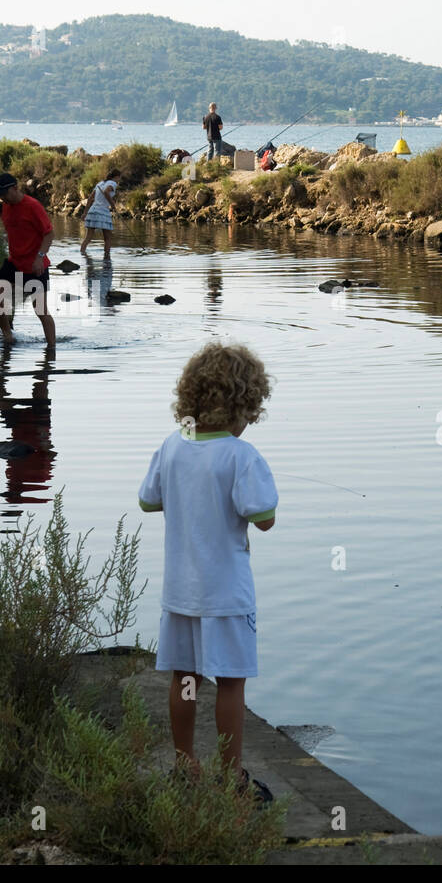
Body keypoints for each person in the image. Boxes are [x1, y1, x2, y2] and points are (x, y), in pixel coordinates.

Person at [138, 342, 278, 805]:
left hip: (180, 589)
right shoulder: (241, 456)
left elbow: (149, 500)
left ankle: (184, 765)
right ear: (245, 405)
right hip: (225, 594)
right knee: (231, 682)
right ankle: (231, 778)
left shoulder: (172, 444)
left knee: (185, 677)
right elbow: (264, 517)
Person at [0, 172, 56, 349]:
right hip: (14, 262)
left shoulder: (33, 206)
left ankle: (52, 351)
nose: (1, 197)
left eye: (4, 193)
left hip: (35, 266)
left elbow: (49, 234)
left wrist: (39, 258)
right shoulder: (6, 206)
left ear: (15, 188)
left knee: (40, 310)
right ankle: (7, 334)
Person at [79, 168, 120, 258]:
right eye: (119, 178)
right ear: (116, 177)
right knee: (108, 237)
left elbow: (90, 199)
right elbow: (106, 192)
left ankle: (82, 253)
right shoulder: (113, 183)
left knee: (88, 237)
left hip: (93, 211)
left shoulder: (100, 183)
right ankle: (107, 259)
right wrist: (112, 205)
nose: (118, 181)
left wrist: (85, 213)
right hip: (102, 212)